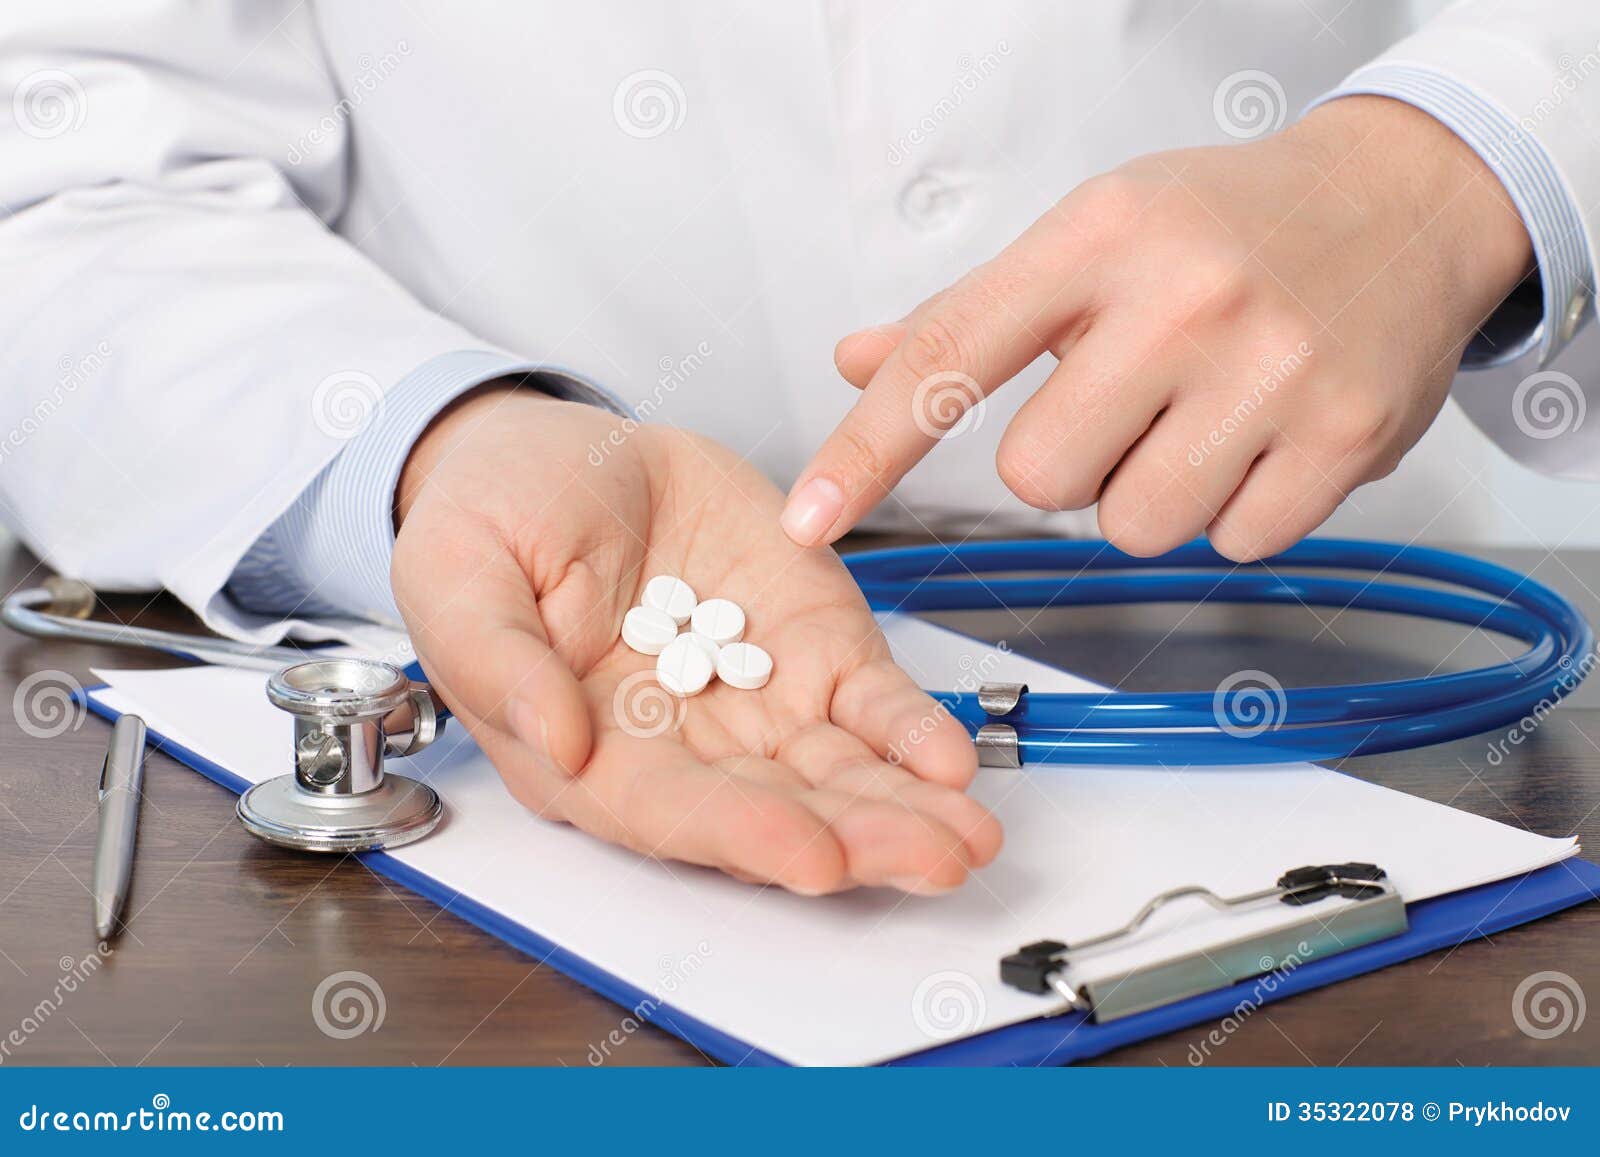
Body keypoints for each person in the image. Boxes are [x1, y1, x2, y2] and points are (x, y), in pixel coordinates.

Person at [2, 3, 1596, 895]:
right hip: (540, 690)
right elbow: (63, 157)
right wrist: (437, 443)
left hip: (1429, 614)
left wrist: (1461, 169)